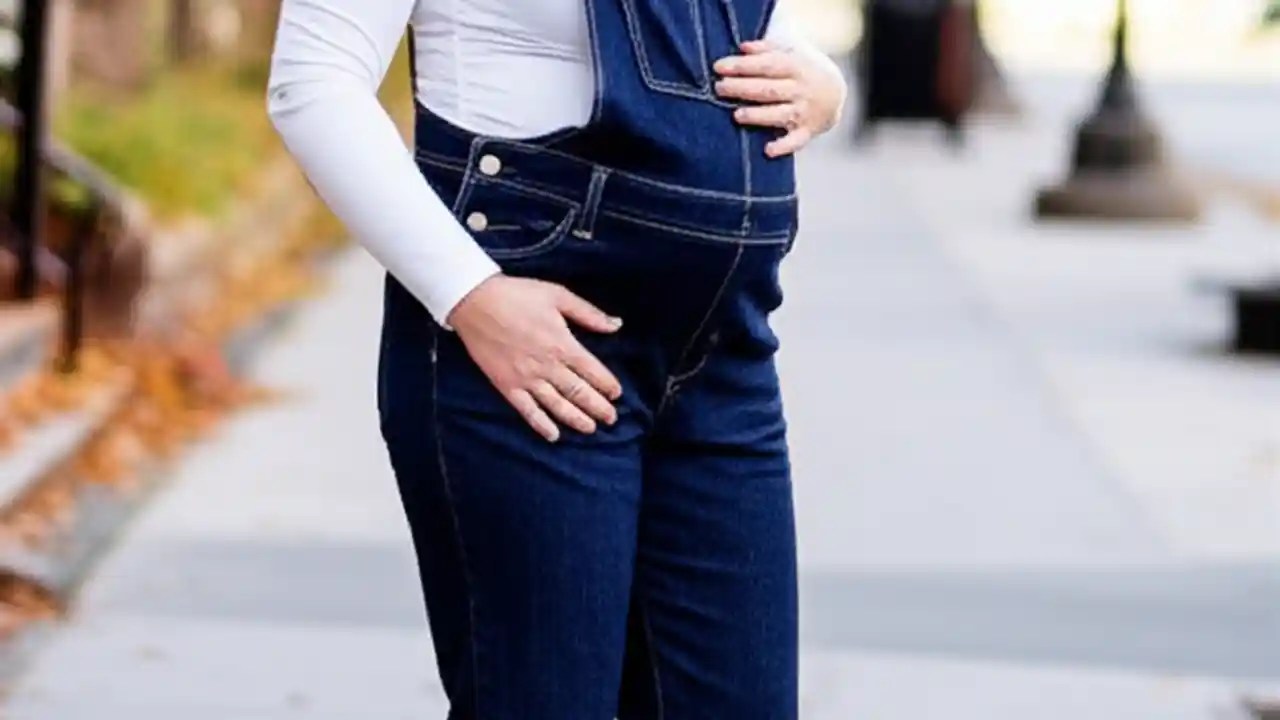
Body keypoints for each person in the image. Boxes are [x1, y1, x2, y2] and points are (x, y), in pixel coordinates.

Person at [268, 0, 846, 717]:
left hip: (721, 361)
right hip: (528, 352)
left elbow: (734, 30)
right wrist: (470, 294)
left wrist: (821, 82)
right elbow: (314, 80)